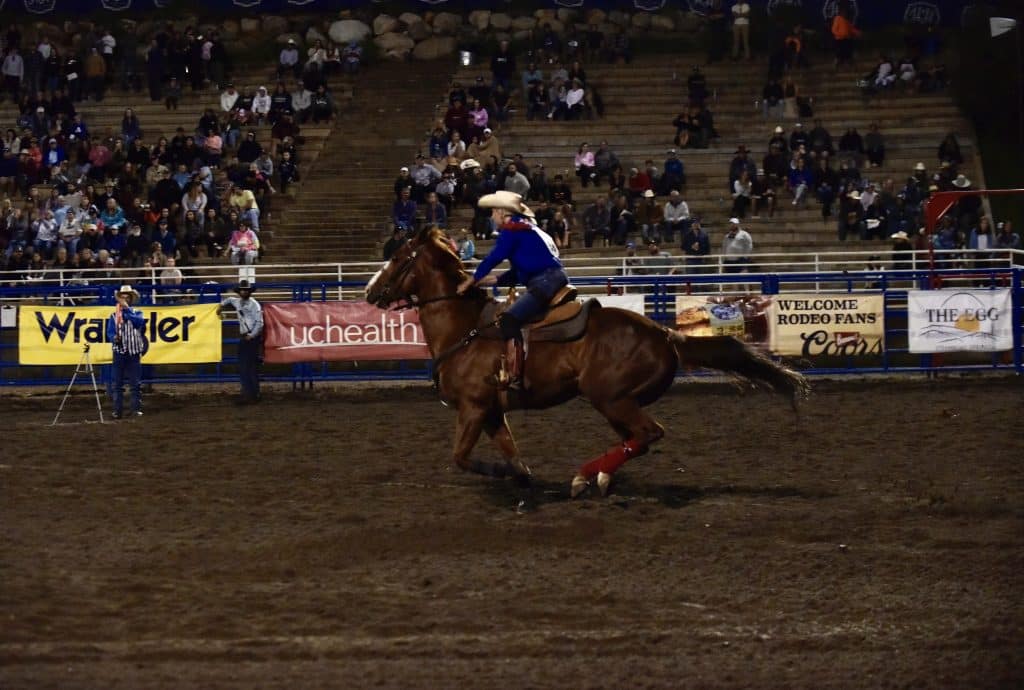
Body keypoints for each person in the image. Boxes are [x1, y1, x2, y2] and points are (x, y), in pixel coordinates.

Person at [456, 191, 568, 391]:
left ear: (501, 212)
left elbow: (494, 258)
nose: (491, 217)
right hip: (551, 278)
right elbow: (523, 269)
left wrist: (471, 280)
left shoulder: (511, 230)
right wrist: (495, 280)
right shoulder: (528, 229)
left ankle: (514, 374)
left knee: (509, 319)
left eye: (493, 212)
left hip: (544, 282)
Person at [106, 284, 148, 419]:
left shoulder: (137, 312)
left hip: (134, 352)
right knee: (117, 384)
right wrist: (114, 338)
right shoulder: (113, 316)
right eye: (122, 297)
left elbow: (139, 323)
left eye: (127, 297)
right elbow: (110, 332)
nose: (124, 299)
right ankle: (117, 411)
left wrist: (127, 309)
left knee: (135, 384)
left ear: (130, 299)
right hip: (119, 352)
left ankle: (135, 409)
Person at [218, 280, 263, 404]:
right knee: (245, 367)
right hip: (245, 337)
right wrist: (220, 306)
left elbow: (260, 323)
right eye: (243, 290)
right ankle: (249, 393)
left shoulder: (254, 305)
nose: (244, 292)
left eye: (246, 290)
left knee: (250, 367)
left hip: (251, 338)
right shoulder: (236, 301)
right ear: (240, 292)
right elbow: (228, 300)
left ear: (249, 292)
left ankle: (252, 394)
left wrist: (252, 335)